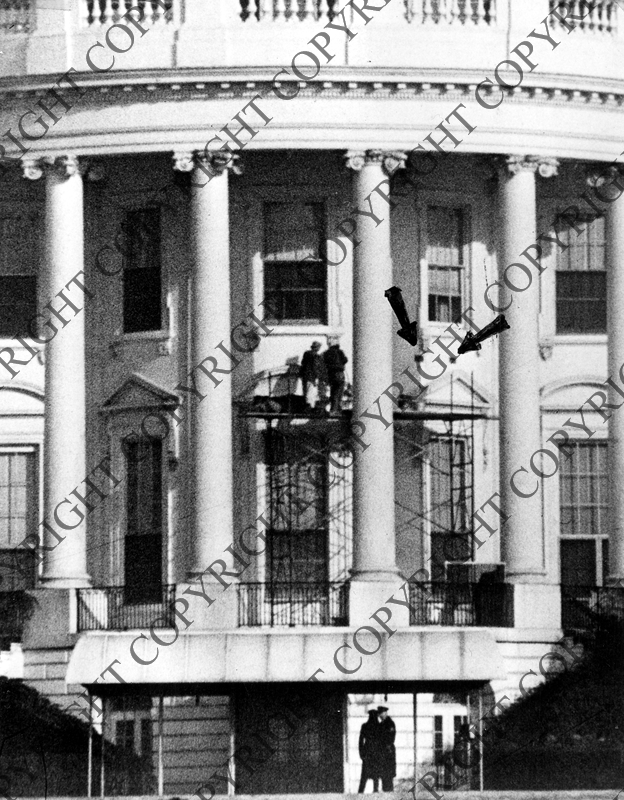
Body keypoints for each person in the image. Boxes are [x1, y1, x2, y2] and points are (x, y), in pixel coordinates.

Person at [323, 336, 348, 412]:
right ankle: (337, 408)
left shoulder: (326, 353)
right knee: (339, 391)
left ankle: (333, 408)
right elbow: (345, 360)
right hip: (339, 373)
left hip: (330, 374)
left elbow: (325, 362)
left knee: (333, 391)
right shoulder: (339, 351)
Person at [358, 709, 381, 793]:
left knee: (365, 776)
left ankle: (360, 794)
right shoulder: (378, 726)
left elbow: (360, 741)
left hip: (367, 753)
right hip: (374, 754)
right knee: (375, 777)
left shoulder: (365, 726)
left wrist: (361, 753)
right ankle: (375, 793)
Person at [300, 341, 328, 409]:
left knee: (306, 391)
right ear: (317, 348)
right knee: (311, 392)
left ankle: (307, 405)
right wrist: (317, 377)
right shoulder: (316, 356)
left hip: (305, 376)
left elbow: (302, 363)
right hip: (312, 376)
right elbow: (315, 367)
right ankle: (310, 407)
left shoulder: (306, 354)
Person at [377, 706, 396, 792]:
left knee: (388, 775)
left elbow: (391, 738)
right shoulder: (381, 724)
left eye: (381, 713)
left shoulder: (390, 723)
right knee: (384, 775)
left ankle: (389, 793)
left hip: (388, 751)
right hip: (382, 752)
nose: (380, 715)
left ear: (385, 713)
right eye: (379, 714)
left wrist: (386, 745)